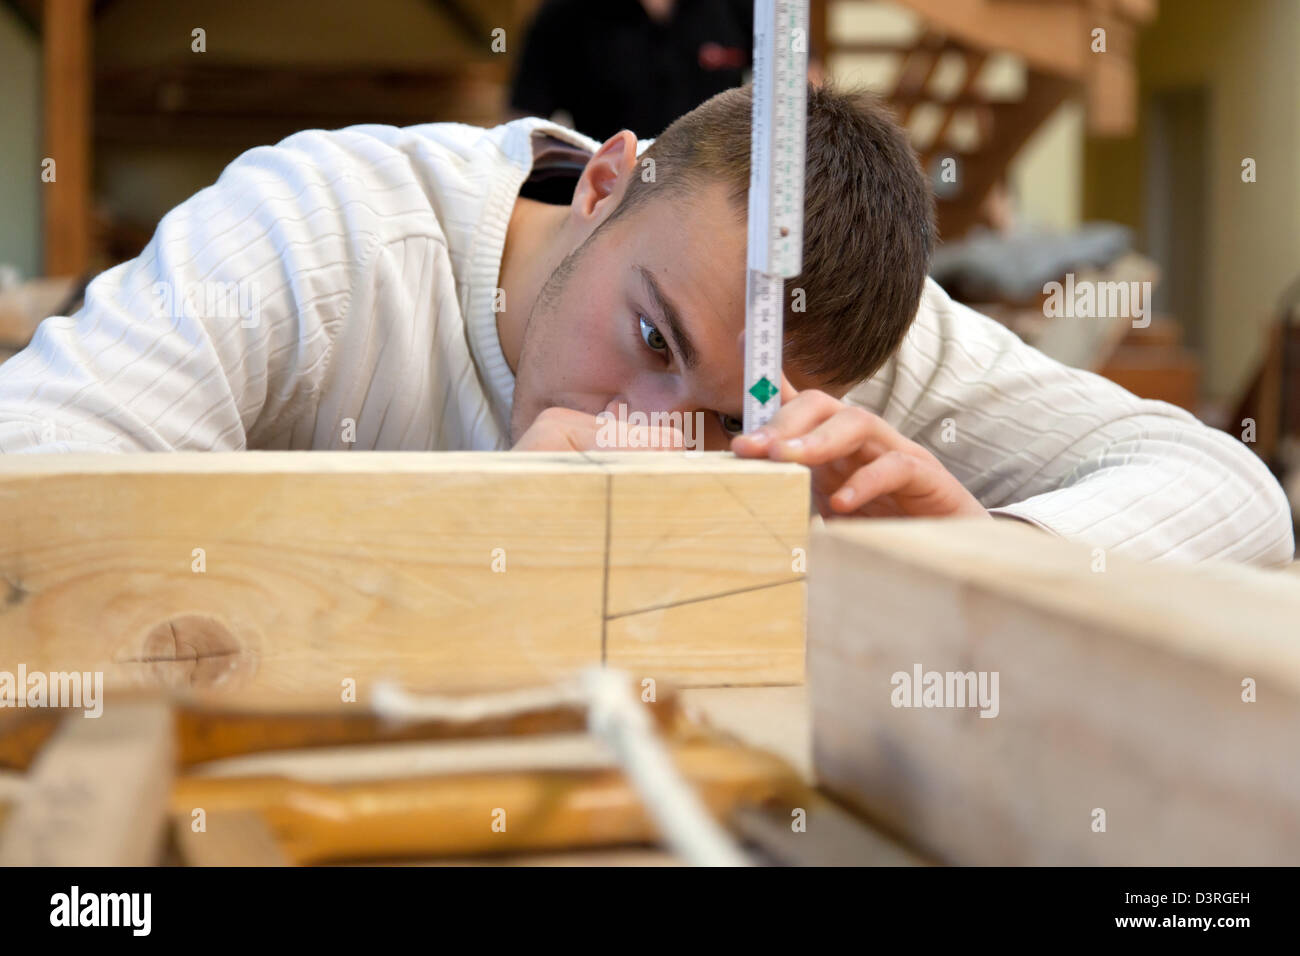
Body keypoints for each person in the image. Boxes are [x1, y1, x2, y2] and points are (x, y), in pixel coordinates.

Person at [0, 84, 1291, 566]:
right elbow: (32, 489)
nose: (646, 437)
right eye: (654, 341)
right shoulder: (319, 226)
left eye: (731, 420)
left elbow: (1228, 490)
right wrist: (448, 526)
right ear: (604, 185)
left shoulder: (848, 345)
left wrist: (998, 553)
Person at [508, 0, 756, 142]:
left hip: (717, 194)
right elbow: (524, 129)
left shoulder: (741, 8)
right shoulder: (564, 15)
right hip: (610, 198)